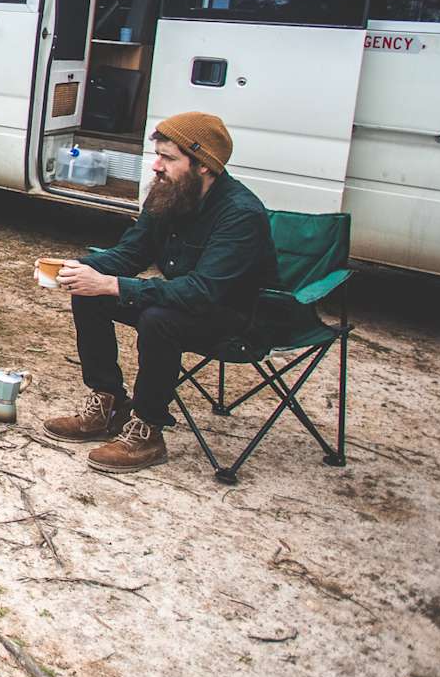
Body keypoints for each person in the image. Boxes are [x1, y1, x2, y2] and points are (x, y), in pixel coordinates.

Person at [44, 112, 277, 473]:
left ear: (203, 165)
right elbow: (131, 253)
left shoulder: (240, 215)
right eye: (158, 155)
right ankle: (108, 403)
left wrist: (111, 284)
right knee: (89, 290)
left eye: (168, 158)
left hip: (234, 317)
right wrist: (79, 269)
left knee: (158, 320)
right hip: (187, 301)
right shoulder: (170, 193)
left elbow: (203, 292)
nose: (156, 166)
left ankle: (147, 430)